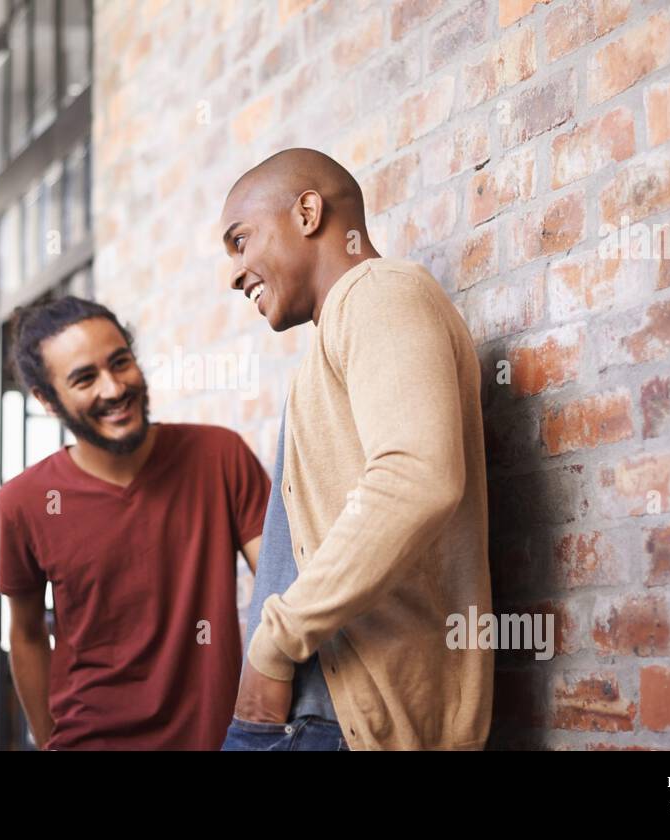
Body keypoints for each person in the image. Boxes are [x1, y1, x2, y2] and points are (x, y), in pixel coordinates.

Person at [219, 148, 493, 750]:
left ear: (309, 212)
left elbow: (417, 477)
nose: (233, 274)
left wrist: (275, 641)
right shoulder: (346, 322)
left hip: (335, 726)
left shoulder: (376, 293)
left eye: (240, 241)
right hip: (314, 718)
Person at [0, 296, 270, 750]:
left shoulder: (220, 457)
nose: (113, 388)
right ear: (46, 400)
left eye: (120, 362)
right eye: (85, 378)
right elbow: (25, 634)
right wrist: (48, 744)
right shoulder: (23, 502)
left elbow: (281, 590)